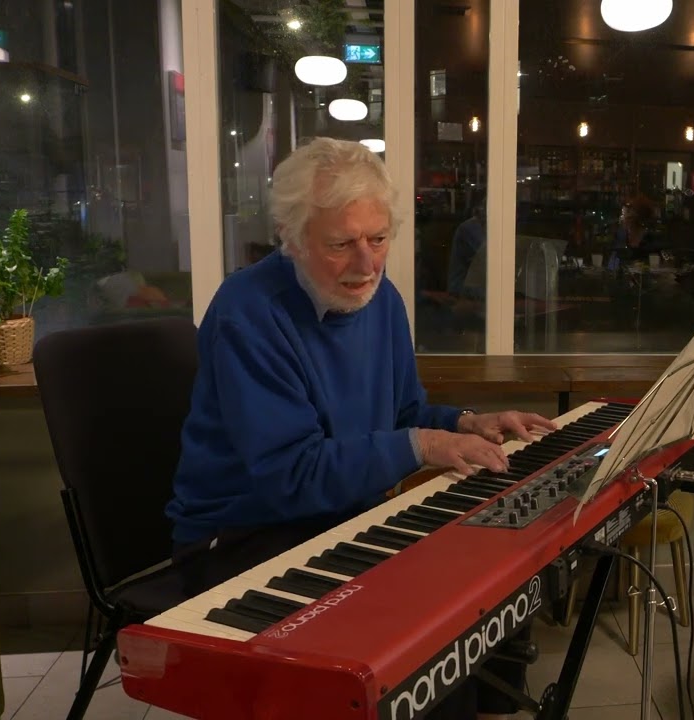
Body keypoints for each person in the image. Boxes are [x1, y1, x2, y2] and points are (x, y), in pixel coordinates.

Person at [166, 137, 556, 720]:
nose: (367, 263)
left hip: (341, 515)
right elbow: (289, 476)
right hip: (242, 536)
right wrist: (424, 444)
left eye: (378, 239)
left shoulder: (382, 299)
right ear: (293, 240)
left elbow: (401, 416)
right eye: (341, 244)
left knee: (476, 589)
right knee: (422, 633)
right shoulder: (248, 312)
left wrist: (468, 423)